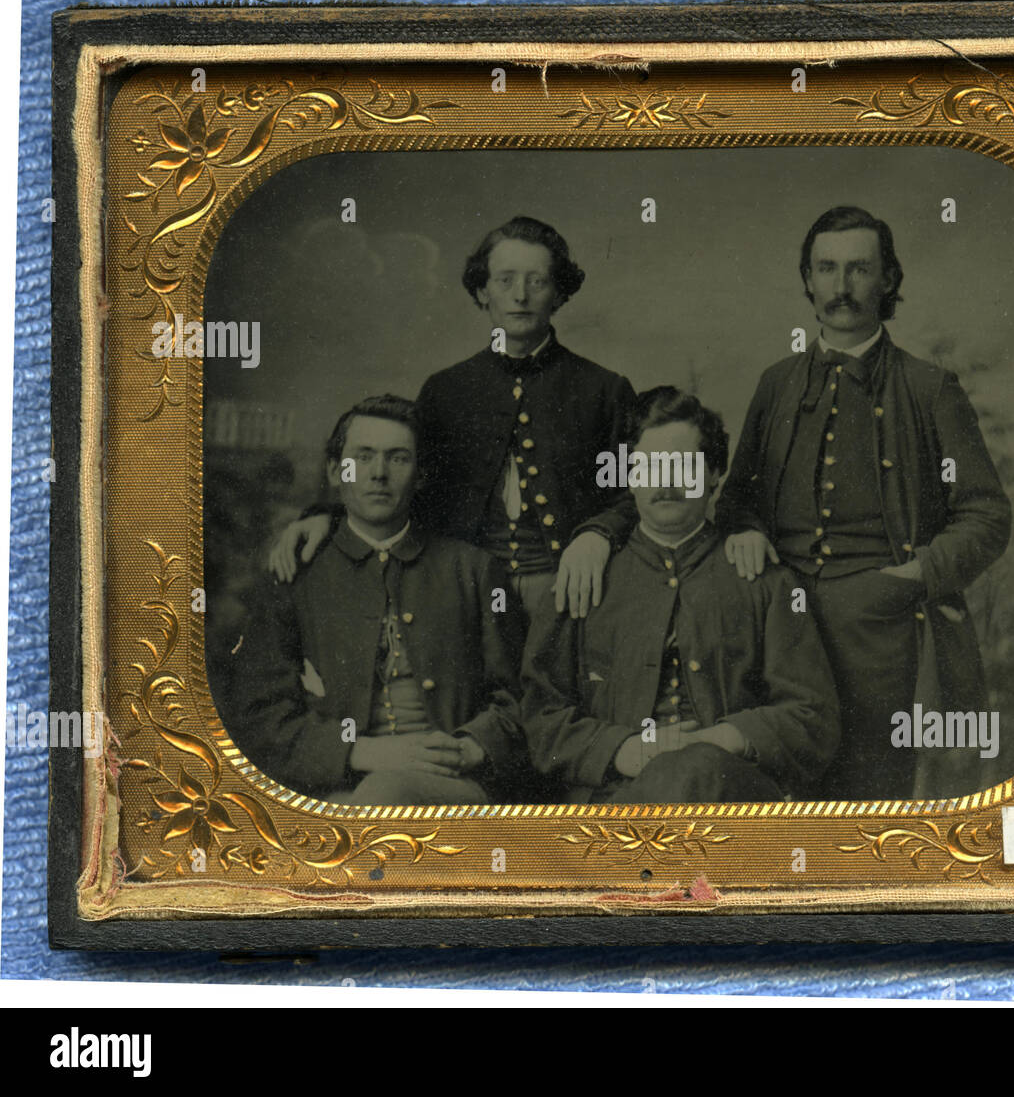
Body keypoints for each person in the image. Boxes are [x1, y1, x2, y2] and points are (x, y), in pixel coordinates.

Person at [715, 206, 1012, 801]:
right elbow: (736, 500)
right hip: (779, 619)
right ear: (807, 279)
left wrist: (916, 575)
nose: (841, 286)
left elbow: (986, 514)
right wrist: (744, 528)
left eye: (858, 269)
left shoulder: (929, 389)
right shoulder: (777, 384)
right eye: (826, 269)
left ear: (888, 280)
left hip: (884, 629)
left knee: (874, 793)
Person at [268, 216, 637, 623]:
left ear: (559, 294)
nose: (520, 296)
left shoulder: (603, 390)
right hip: (460, 595)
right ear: (482, 291)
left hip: (569, 593)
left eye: (537, 282)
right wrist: (328, 515)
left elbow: (636, 491)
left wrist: (596, 535)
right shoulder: (445, 391)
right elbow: (404, 483)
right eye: (505, 281)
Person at [522, 386, 839, 804]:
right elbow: (540, 716)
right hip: (613, 797)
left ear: (714, 474)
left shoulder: (764, 579)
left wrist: (718, 741)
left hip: (735, 797)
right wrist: (623, 750)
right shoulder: (583, 576)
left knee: (695, 771)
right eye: (650, 466)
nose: (666, 482)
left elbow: (812, 715)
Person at [230, 395, 527, 805]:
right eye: (363, 457)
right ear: (336, 471)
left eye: (399, 459)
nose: (379, 474)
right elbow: (260, 715)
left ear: (421, 475)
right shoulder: (297, 575)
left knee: (382, 797)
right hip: (330, 783)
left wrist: (470, 747)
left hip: (450, 783)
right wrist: (363, 752)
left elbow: (520, 697)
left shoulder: (473, 571)